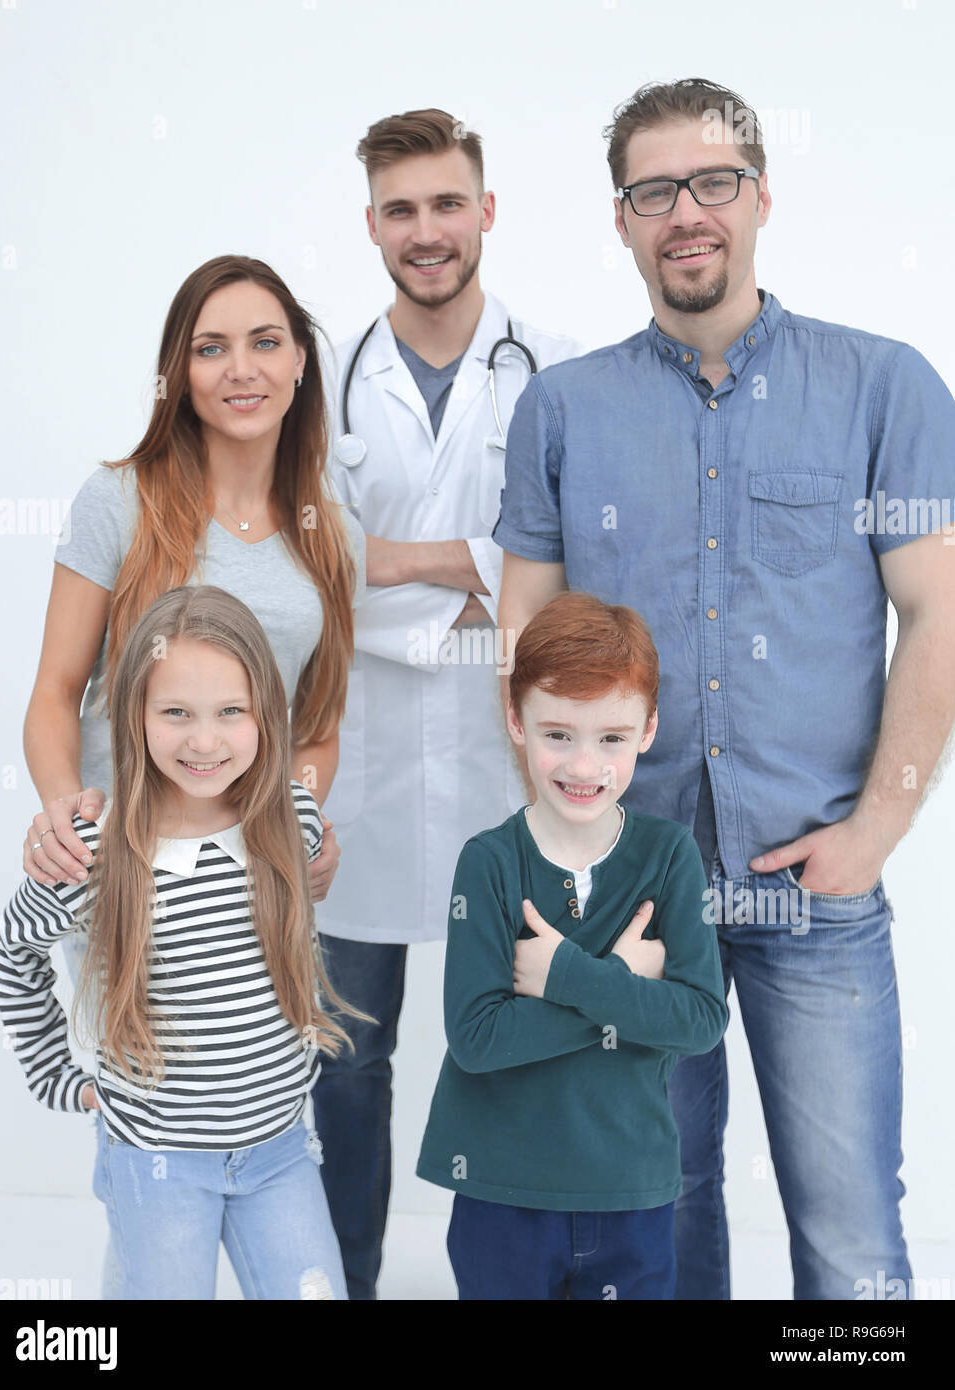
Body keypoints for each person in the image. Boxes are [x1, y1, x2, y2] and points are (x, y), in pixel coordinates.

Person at [494, 77, 955, 1300]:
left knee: (852, 1232)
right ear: (621, 218)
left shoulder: (883, 386)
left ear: (758, 195)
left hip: (817, 892)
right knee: (655, 1215)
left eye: (709, 183)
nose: (682, 212)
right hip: (632, 904)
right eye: (652, 190)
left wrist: (876, 830)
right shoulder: (561, 409)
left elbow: (935, 613)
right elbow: (525, 643)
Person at [313, 108, 582, 1299]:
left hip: (496, 754)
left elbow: (570, 556)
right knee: (345, 1059)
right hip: (353, 756)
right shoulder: (314, 378)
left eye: (445, 203)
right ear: (372, 223)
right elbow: (307, 557)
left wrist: (403, 561)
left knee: (511, 1045)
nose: (426, 231)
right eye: (400, 209)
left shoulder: (560, 372)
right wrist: (477, 565)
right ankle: (343, 1283)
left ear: (485, 210)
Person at [0, 586, 371, 1300]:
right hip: (154, 1162)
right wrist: (56, 1077)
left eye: (231, 712)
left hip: (281, 1153)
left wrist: (320, 858)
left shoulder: (292, 816)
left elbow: (315, 868)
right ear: (133, 715)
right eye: (176, 714)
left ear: (266, 713)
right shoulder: (93, 851)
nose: (205, 741)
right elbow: (13, 948)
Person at [22, 253, 363, 907]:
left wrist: (302, 827)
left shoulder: (334, 535)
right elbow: (56, 691)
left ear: (299, 360)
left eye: (264, 342)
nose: (241, 369)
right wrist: (65, 811)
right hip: (123, 873)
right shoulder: (119, 503)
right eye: (211, 349)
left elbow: (316, 725)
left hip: (255, 882)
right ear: (179, 373)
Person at [416, 592, 727, 1299]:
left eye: (610, 738)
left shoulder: (668, 856)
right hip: (501, 1197)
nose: (583, 765)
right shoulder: (489, 862)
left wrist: (567, 976)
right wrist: (621, 979)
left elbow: (700, 1020)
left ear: (647, 730)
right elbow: (477, 1039)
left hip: (634, 1197)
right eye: (557, 734)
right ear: (513, 720)